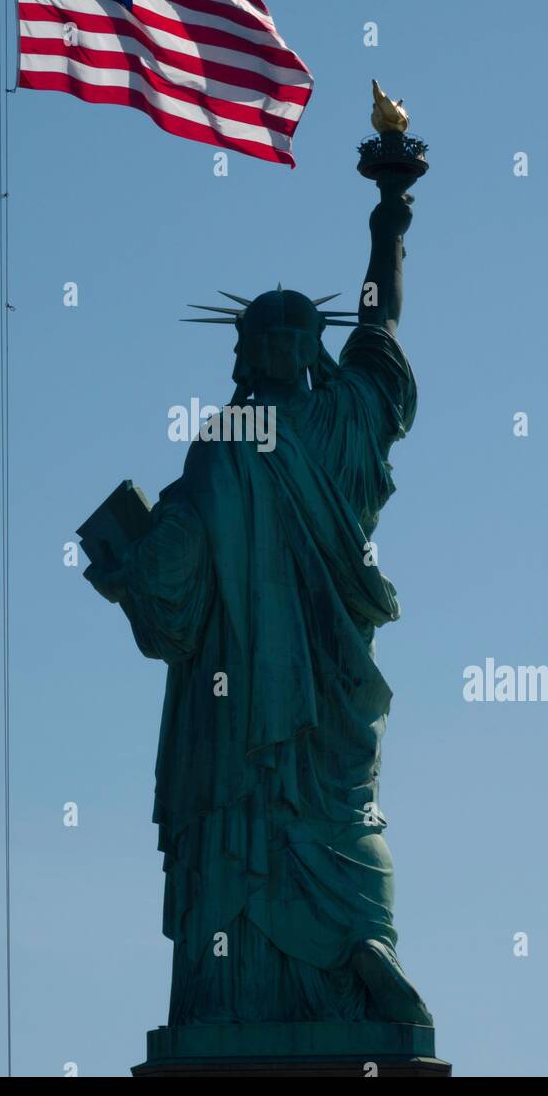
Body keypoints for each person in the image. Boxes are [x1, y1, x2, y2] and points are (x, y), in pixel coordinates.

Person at [87, 184, 432, 1026]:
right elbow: (380, 327)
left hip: (237, 714)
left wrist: (122, 550)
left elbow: (172, 592)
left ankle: (246, 998)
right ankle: (360, 944)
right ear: (313, 348)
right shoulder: (347, 421)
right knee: (343, 816)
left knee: (248, 824)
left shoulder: (223, 446)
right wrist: (389, 214)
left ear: (244, 357)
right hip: (330, 693)